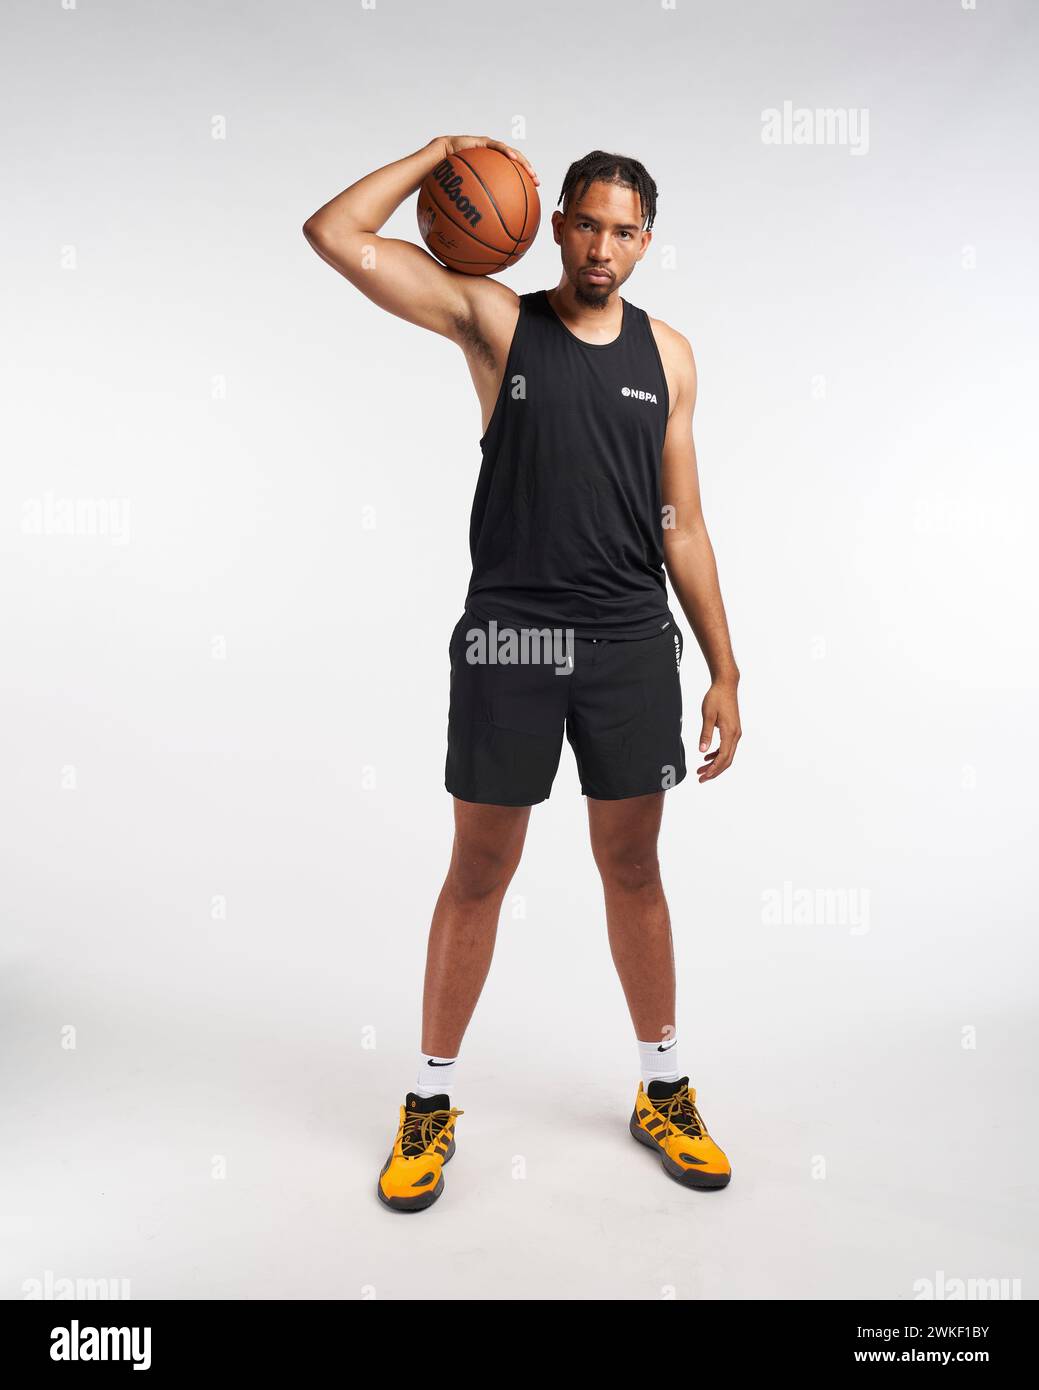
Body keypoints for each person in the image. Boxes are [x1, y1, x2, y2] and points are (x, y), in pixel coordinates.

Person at [303, 135, 742, 1212]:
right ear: (555, 226)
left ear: (646, 241)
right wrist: (441, 155)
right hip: (512, 635)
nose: (601, 246)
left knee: (633, 867)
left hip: (630, 641)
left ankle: (662, 1087)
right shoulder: (497, 321)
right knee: (480, 867)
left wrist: (725, 669)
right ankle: (428, 1101)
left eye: (623, 230)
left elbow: (681, 526)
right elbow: (335, 235)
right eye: (585, 224)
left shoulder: (670, 357)